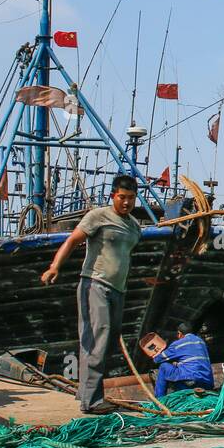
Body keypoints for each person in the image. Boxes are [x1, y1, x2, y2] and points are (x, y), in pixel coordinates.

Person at [41, 174, 143, 414]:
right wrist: (55, 266)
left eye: (131, 198)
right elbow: (72, 241)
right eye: (122, 197)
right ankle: (92, 401)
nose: (127, 203)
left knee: (106, 341)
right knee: (98, 338)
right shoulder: (98, 216)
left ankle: (85, 392)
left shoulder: (134, 226)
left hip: (118, 290)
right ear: (112, 196)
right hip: (95, 284)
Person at [149, 322, 214, 397]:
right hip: (207, 382)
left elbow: (157, 360)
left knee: (164, 367)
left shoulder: (178, 344)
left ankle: (159, 400)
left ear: (179, 334)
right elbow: (191, 358)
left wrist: (156, 355)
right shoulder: (201, 341)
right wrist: (177, 363)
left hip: (190, 383)